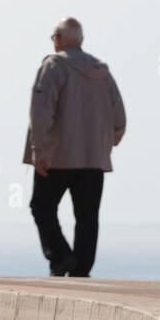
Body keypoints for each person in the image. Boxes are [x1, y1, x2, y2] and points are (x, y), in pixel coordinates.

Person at [23, 17, 126, 278]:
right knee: (87, 216)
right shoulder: (102, 72)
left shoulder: (53, 66)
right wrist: (106, 143)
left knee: (42, 207)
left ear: (58, 39)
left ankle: (60, 256)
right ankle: (81, 268)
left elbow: (41, 111)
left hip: (56, 156)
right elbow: (120, 119)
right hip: (93, 159)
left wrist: (39, 149)